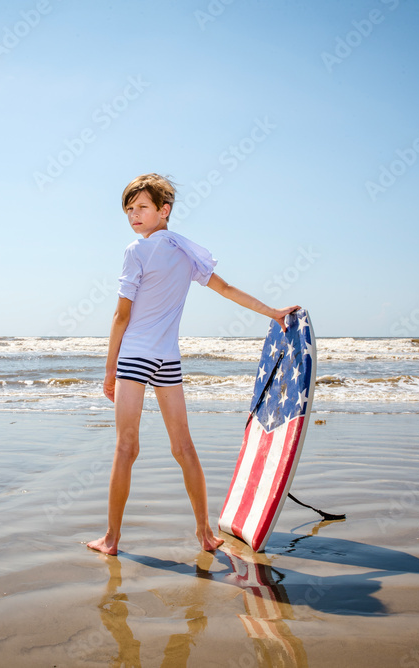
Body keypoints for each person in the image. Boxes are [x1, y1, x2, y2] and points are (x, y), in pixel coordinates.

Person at [86, 174, 299, 556]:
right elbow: (226, 289)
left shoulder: (136, 250)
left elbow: (121, 316)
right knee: (183, 446)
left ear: (163, 210)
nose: (134, 216)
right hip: (167, 358)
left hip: (134, 356)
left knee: (125, 448)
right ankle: (204, 532)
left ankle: (112, 539)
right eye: (129, 209)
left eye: (142, 208)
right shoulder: (186, 252)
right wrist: (274, 312)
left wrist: (108, 370)